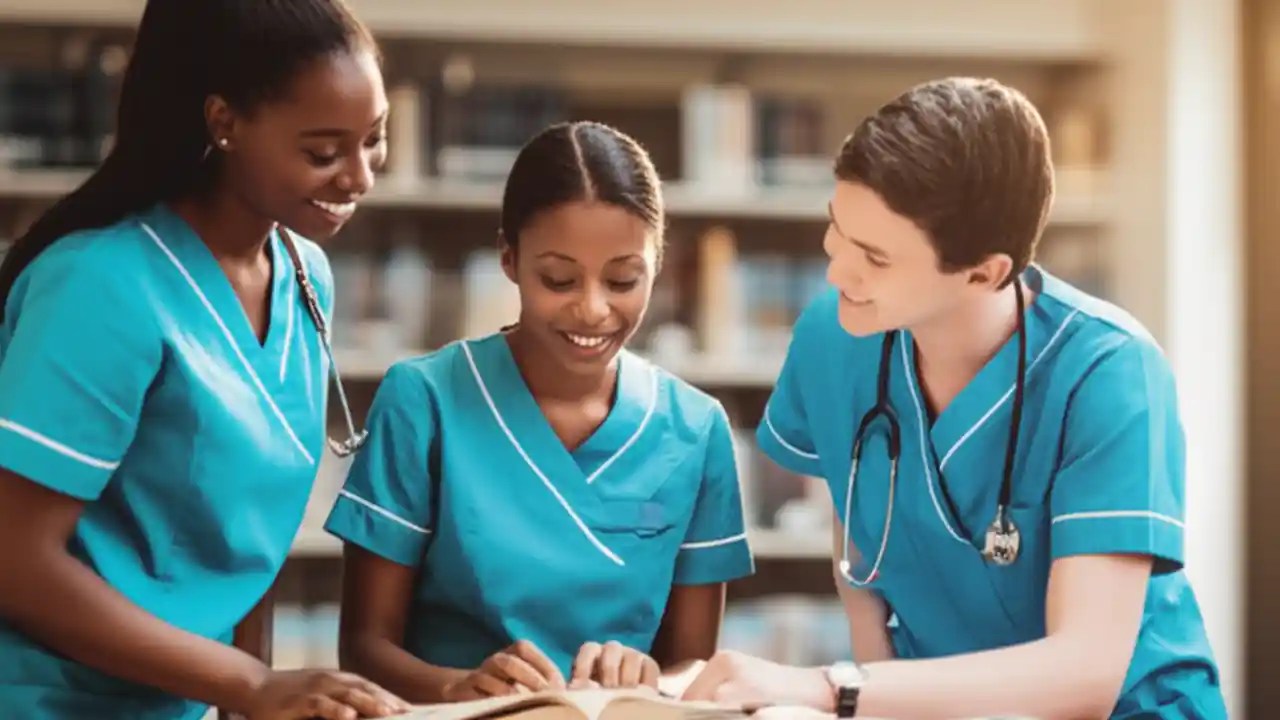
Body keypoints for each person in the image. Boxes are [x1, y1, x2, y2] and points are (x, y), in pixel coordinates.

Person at [682, 77, 1228, 719]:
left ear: (985, 272)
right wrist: (872, 685)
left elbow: (1084, 674)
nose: (836, 272)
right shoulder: (834, 334)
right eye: (837, 230)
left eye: (875, 257)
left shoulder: (1109, 372)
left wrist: (835, 687)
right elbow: (857, 518)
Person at [0, 1, 410, 718]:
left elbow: (248, 546)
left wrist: (254, 700)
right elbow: (14, 561)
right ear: (224, 123)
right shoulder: (101, 284)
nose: (360, 178)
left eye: (374, 140)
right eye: (323, 151)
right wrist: (247, 685)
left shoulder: (306, 275)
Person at [324, 120, 755, 704]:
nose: (593, 309)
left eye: (624, 279)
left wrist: (647, 680)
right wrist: (458, 687)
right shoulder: (425, 399)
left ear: (658, 263)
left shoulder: (697, 429)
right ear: (509, 257)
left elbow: (694, 664)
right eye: (558, 279)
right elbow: (364, 647)